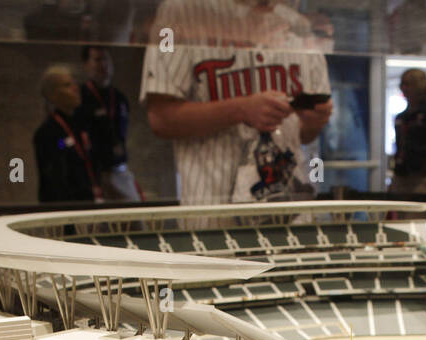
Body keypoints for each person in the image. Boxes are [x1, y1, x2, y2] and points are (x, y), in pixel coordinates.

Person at [139, 0, 334, 205]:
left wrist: (314, 120)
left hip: (289, 210)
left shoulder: (300, 26)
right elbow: (161, 119)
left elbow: (305, 136)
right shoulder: (180, 12)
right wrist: (240, 110)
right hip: (214, 214)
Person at [76, 45, 142, 201]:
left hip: (120, 169)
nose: (103, 65)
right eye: (97, 60)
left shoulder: (119, 98)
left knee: (136, 220)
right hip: (94, 175)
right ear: (86, 65)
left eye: (106, 59)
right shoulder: (81, 97)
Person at [33, 65, 101, 203]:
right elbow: (55, 182)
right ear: (52, 94)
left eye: (75, 83)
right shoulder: (48, 132)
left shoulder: (80, 125)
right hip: (65, 209)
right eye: (67, 85)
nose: (76, 89)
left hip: (88, 204)